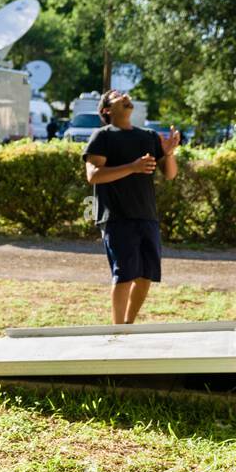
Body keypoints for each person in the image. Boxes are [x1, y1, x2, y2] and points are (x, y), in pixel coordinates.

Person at [83, 89, 180, 324]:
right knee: (125, 274)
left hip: (146, 215)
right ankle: (117, 330)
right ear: (107, 110)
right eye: (117, 96)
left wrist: (168, 153)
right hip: (116, 217)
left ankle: (128, 326)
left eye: (126, 95)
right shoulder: (102, 136)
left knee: (146, 275)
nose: (125, 97)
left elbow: (170, 174)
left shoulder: (147, 136)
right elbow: (93, 175)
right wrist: (132, 167)